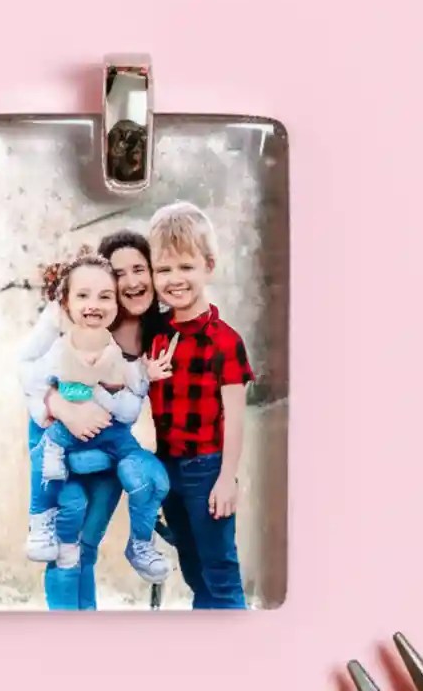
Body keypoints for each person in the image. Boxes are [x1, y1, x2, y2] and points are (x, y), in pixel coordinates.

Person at [26, 230, 169, 610]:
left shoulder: (159, 330)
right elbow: (24, 368)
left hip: (107, 441)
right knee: (63, 538)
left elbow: (135, 402)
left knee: (87, 543)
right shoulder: (68, 314)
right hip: (60, 433)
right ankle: (64, 631)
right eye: (118, 274)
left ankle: (86, 623)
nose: (131, 282)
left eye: (140, 270)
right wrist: (62, 407)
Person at [144, 201, 253, 609]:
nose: (174, 279)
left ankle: (234, 648)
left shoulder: (224, 341)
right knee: (192, 568)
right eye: (164, 269)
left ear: (208, 265)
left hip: (207, 468)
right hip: (167, 466)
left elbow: (236, 417)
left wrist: (228, 478)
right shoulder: (156, 335)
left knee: (220, 569)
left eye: (185, 267)